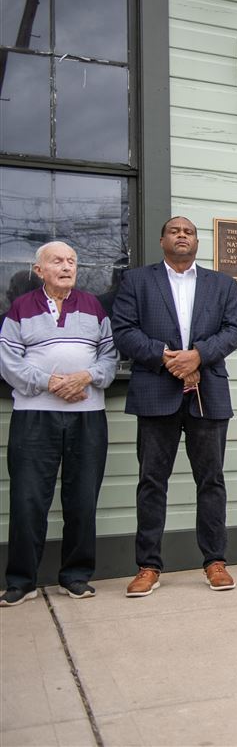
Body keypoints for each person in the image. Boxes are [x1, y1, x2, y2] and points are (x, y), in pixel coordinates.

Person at [112, 217, 237, 597]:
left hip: (209, 394)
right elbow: (123, 330)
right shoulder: (137, 281)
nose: (182, 236)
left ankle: (215, 562)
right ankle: (148, 566)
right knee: (152, 482)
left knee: (212, 481)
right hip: (156, 391)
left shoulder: (222, 284)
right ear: (162, 239)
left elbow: (234, 330)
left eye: (188, 231)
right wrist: (167, 358)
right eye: (174, 231)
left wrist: (198, 356)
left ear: (197, 241)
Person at [0, 243, 117, 606]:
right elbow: (8, 361)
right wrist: (52, 383)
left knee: (82, 498)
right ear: (39, 270)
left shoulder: (95, 307)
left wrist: (84, 377)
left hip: (87, 416)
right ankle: (21, 581)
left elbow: (109, 358)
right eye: (57, 261)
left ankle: (76, 575)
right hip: (34, 417)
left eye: (71, 262)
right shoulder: (20, 309)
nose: (66, 267)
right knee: (28, 499)